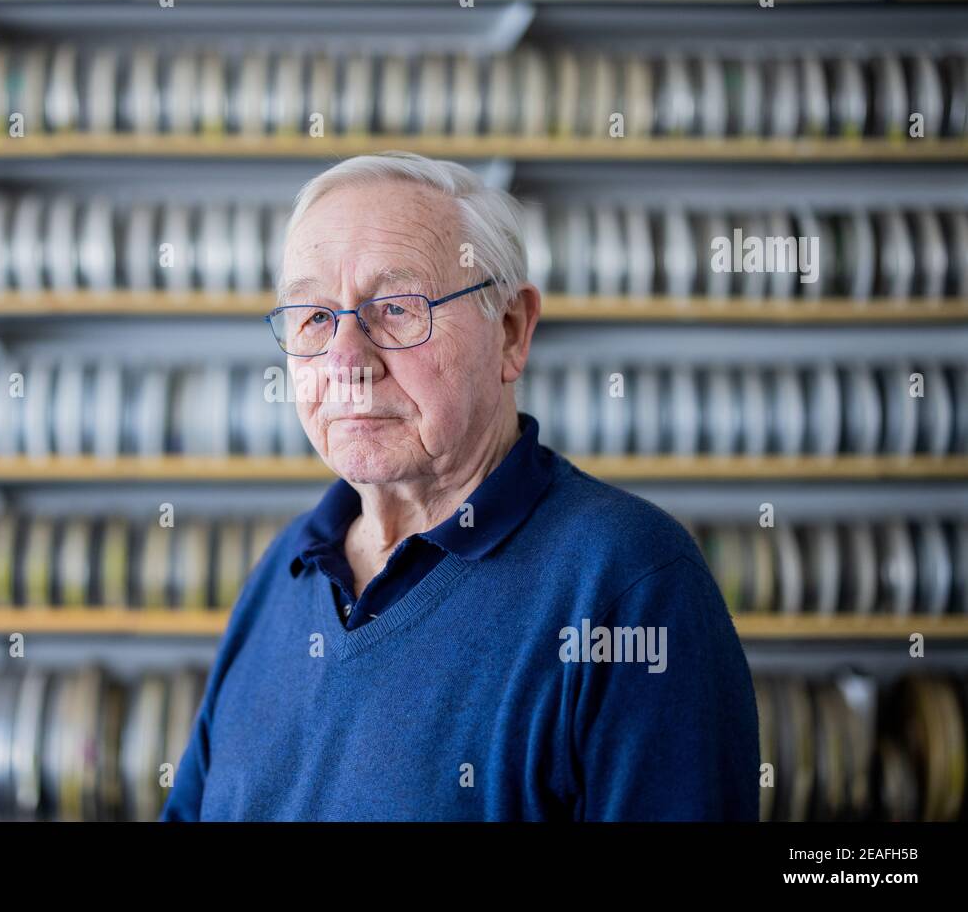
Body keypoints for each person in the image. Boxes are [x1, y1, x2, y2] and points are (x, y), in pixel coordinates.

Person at [161, 151, 758, 821]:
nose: (347, 363)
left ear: (511, 331)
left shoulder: (632, 584)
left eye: (395, 308)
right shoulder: (286, 569)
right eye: (315, 317)